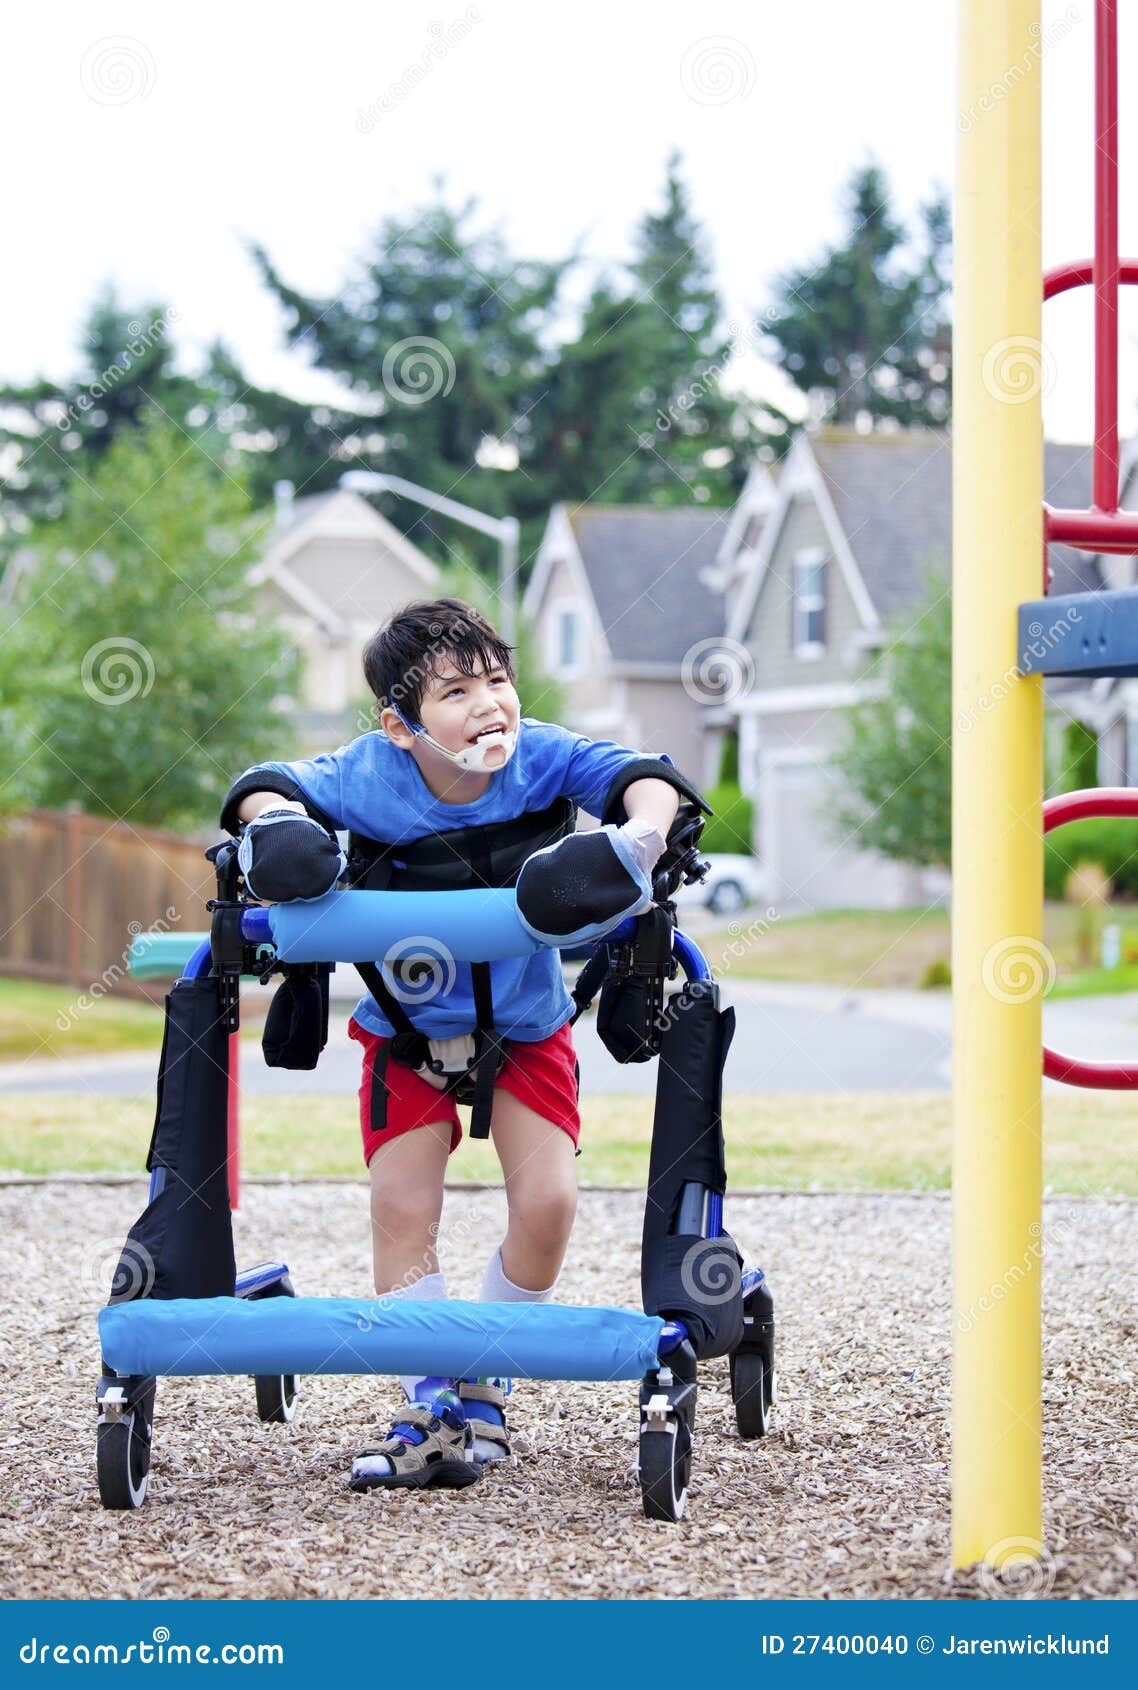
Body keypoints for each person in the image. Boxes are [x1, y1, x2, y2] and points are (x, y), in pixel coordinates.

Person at [220, 597, 691, 1491]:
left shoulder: (544, 758)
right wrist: (276, 823)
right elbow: (262, 783)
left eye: (499, 680)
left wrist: (641, 832)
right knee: (402, 1208)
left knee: (548, 1206)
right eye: (458, 690)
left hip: (525, 1026)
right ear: (401, 725)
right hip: (406, 1030)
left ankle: (486, 1368)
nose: (490, 705)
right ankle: (430, 1391)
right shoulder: (368, 775)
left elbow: (643, 771)